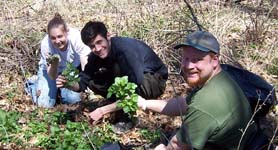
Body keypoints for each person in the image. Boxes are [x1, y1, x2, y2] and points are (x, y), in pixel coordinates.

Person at [137, 31, 257, 149]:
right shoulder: (220, 79)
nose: (188, 66)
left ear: (214, 60)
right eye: (186, 58)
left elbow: (177, 146)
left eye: (197, 60)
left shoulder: (205, 103)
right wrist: (145, 103)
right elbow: (183, 104)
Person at [56, 21, 168, 123]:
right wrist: (68, 84)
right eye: (92, 46)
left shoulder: (125, 51)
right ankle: (119, 105)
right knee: (94, 81)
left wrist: (102, 110)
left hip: (153, 80)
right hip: (132, 83)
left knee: (117, 69)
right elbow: (83, 82)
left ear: (108, 36)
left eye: (99, 42)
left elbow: (132, 91)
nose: (98, 49)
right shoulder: (95, 56)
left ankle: (126, 116)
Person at [28, 13, 91, 108]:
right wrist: (54, 64)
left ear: (67, 32)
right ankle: (33, 83)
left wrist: (87, 83)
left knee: (72, 100)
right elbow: (52, 75)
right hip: (50, 72)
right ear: (49, 37)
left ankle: (58, 91)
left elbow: (85, 61)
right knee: (44, 104)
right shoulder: (46, 44)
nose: (57, 41)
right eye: (53, 38)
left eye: (60, 36)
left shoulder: (76, 37)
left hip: (70, 70)